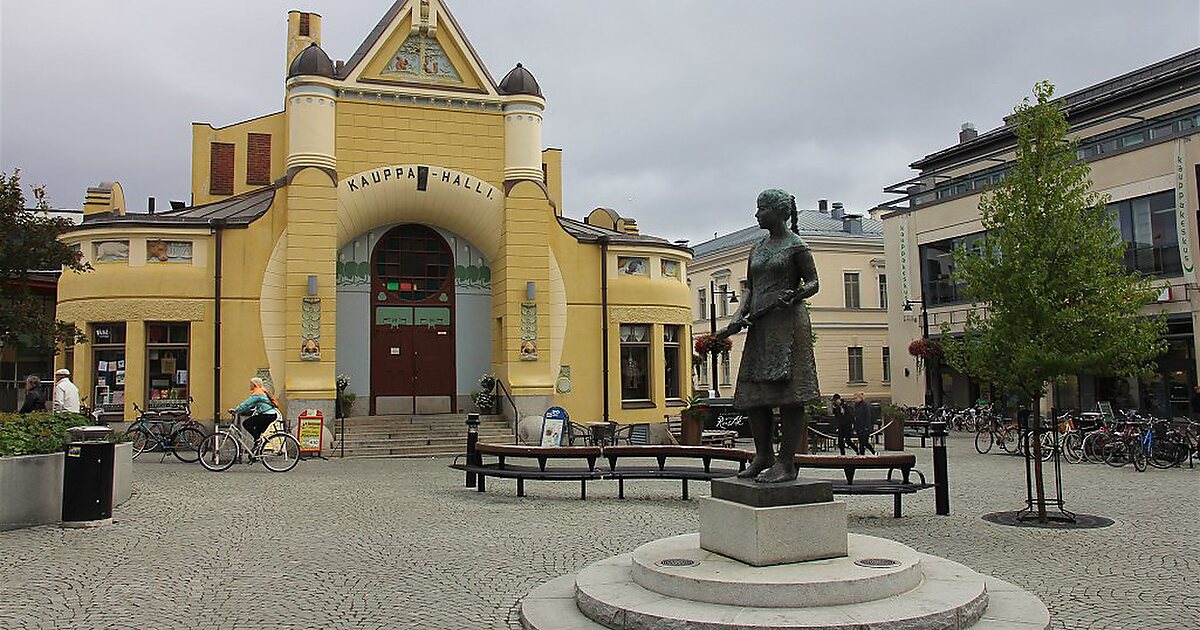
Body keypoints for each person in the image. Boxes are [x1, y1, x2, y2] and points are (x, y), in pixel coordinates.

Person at [716, 188, 821, 483]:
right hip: (761, 327)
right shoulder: (758, 248)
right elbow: (749, 288)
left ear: (777, 212)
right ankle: (763, 455)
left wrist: (797, 293)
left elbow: (813, 282)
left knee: (790, 396)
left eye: (762, 209)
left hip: (788, 325)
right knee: (753, 394)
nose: (757, 214)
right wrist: (737, 319)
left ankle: (786, 463)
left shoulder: (796, 245)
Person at [230, 377, 281, 445]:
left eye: (251, 384)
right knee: (257, 433)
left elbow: (246, 403)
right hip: (271, 415)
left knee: (246, 423)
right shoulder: (262, 391)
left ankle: (258, 440)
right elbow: (251, 405)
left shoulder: (258, 393)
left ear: (255, 384)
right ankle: (256, 452)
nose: (249, 385)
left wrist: (236, 410)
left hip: (267, 415)